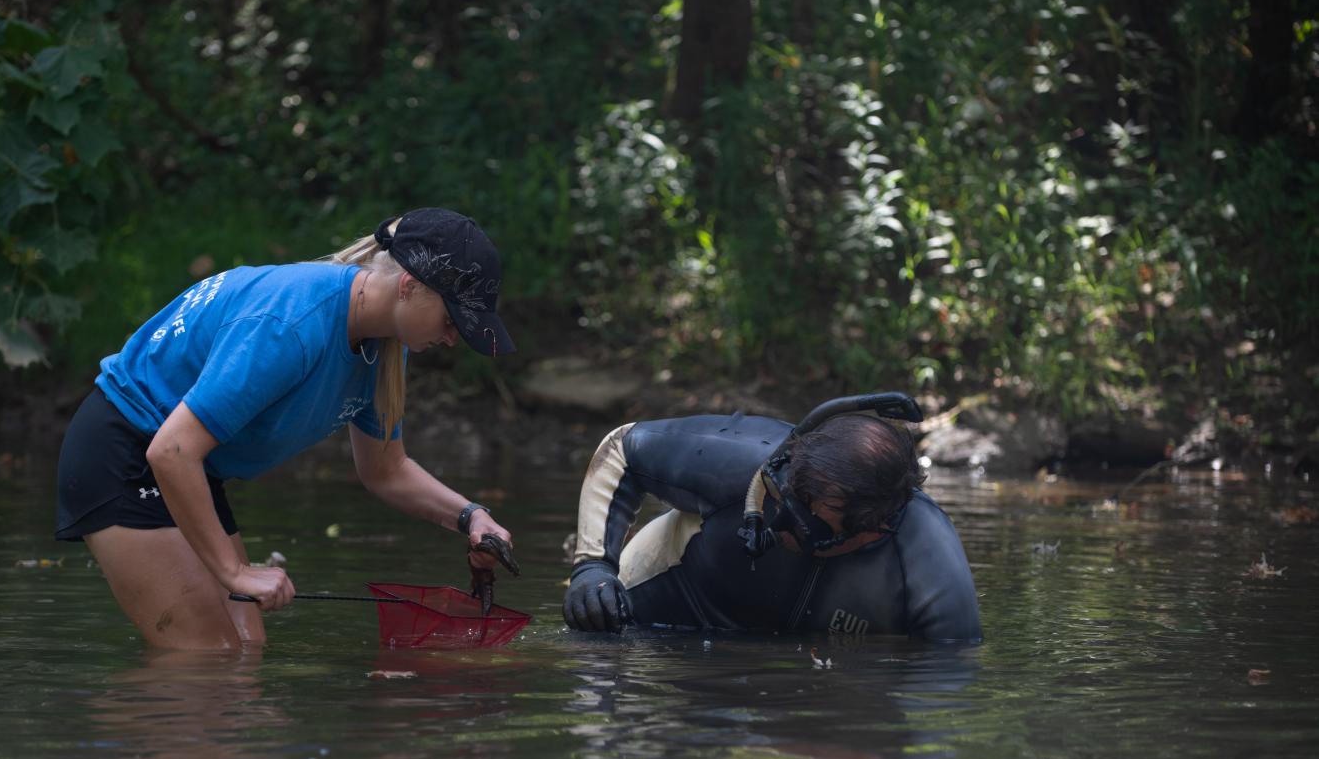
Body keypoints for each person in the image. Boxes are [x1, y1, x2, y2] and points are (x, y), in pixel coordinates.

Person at [56, 208, 515, 650]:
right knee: (209, 663)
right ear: (409, 287)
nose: (454, 337)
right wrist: (234, 573)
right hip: (126, 454)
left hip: (189, 466)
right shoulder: (291, 323)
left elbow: (386, 470)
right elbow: (171, 451)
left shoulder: (387, 346)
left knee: (246, 651)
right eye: (452, 320)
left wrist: (470, 516)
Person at [563, 393, 981, 642]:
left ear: (873, 531)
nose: (779, 523)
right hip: (645, 618)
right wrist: (593, 566)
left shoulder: (927, 558)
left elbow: (946, 675)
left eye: (808, 519)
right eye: (784, 497)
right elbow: (622, 447)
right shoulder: (747, 458)